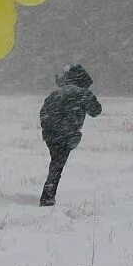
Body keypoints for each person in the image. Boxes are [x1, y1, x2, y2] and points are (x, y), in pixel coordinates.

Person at [38, 64, 102, 206]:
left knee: (55, 164)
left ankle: (48, 195)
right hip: (66, 136)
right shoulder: (83, 94)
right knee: (57, 166)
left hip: (51, 135)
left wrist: (48, 130)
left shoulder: (56, 93)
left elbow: (43, 112)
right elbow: (96, 111)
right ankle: (47, 198)